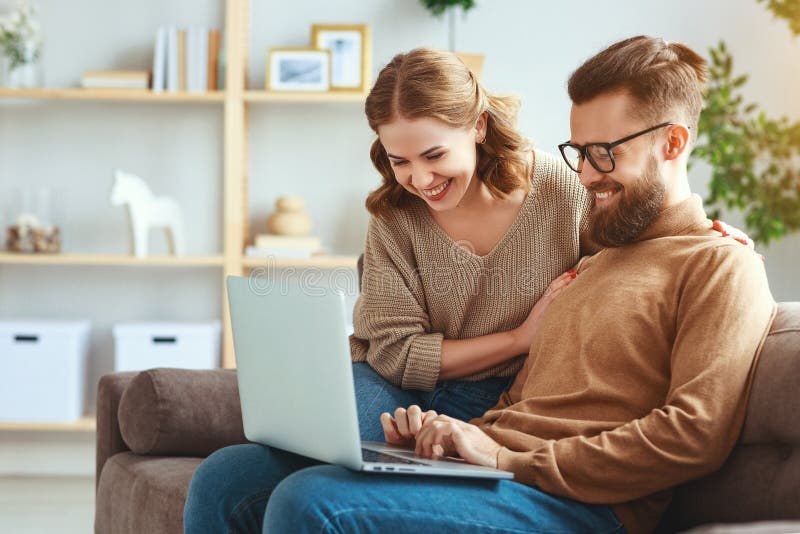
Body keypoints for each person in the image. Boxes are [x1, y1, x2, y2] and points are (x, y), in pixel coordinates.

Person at [187, 35, 775, 534]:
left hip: (572, 498)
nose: (588, 176)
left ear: (673, 143)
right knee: (225, 481)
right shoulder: (595, 259)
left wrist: (505, 458)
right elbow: (521, 400)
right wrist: (447, 436)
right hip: (490, 459)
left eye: (603, 153)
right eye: (579, 154)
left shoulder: (720, 265)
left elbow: (692, 436)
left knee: (308, 499)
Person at [184, 47, 591, 533]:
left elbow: (644, 239)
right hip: (394, 387)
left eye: (435, 155)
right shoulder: (395, 215)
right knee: (219, 477)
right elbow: (396, 352)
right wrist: (517, 339)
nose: (421, 179)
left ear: (478, 126)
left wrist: (701, 230)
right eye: (401, 160)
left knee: (314, 482)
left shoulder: (563, 192)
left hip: (502, 398)